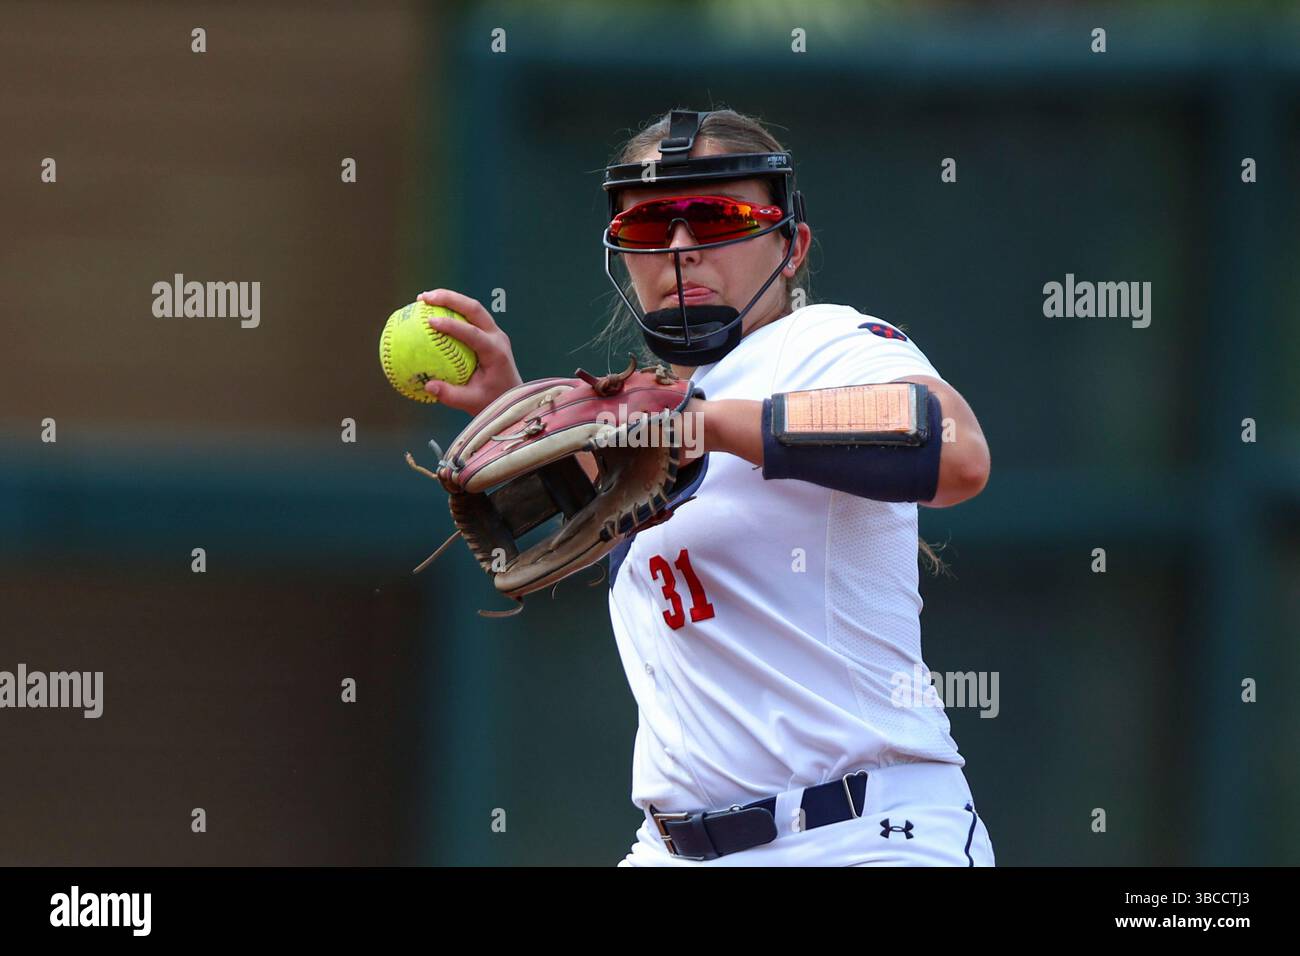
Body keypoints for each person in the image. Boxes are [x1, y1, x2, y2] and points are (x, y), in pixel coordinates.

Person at [417, 108, 995, 867]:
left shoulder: (820, 343)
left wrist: (707, 423)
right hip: (672, 847)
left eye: (716, 218)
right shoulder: (655, 418)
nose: (681, 249)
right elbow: (634, 504)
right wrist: (523, 413)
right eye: (651, 227)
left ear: (792, 246)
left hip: (858, 836)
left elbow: (958, 452)